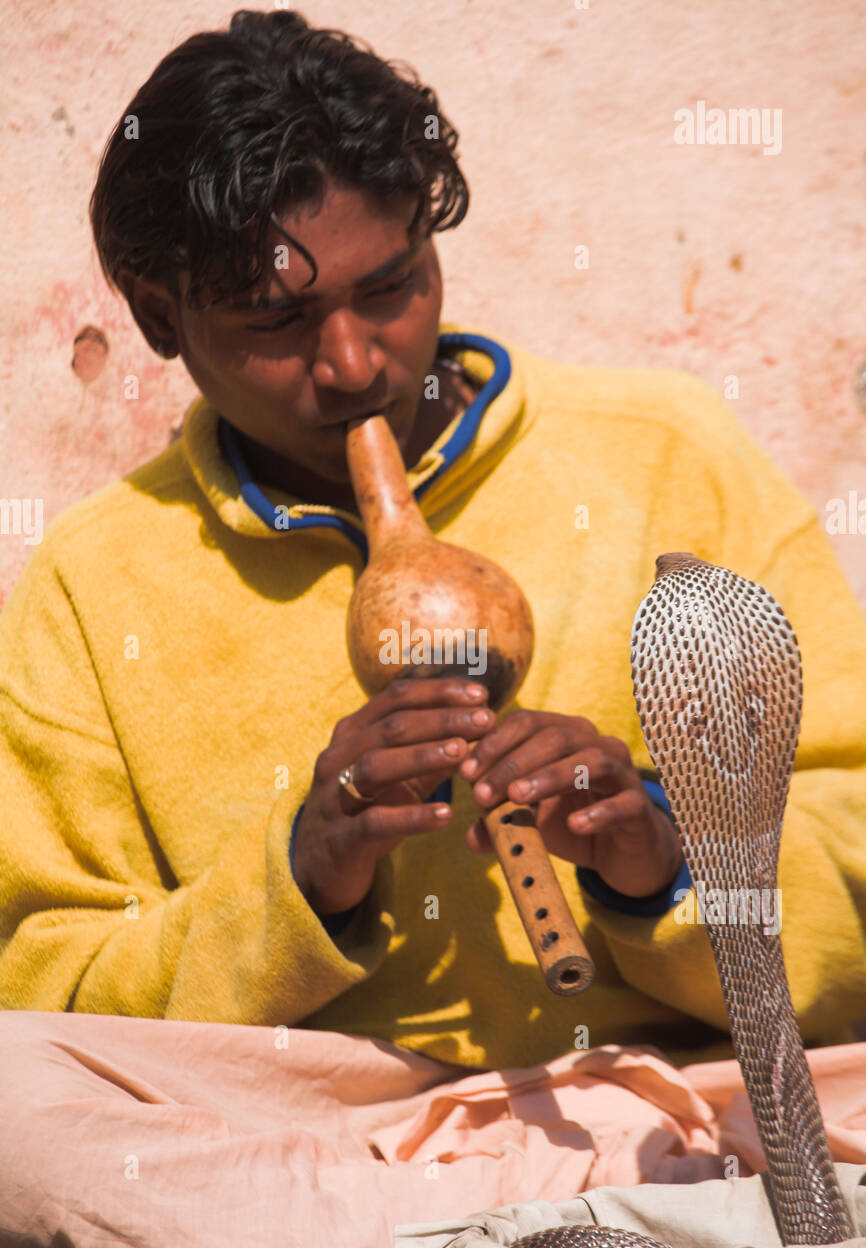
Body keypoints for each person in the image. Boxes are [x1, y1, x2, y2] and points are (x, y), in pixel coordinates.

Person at [1, 7, 865, 1080]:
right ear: (157, 317)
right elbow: (48, 998)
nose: (356, 364)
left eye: (390, 287)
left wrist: (662, 857)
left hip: (666, 1115)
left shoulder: (662, 454)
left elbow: (852, 838)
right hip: (304, 1165)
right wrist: (298, 878)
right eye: (278, 320)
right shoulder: (94, 582)